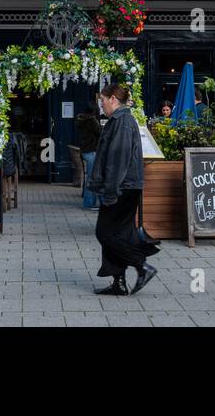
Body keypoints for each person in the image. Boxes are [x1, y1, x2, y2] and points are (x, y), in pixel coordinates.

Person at [88, 83, 157, 296]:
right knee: (119, 233)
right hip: (124, 186)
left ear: (113, 100)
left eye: (103, 101)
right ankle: (118, 283)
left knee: (105, 232)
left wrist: (110, 191)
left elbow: (118, 160)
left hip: (122, 187)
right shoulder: (118, 121)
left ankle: (142, 265)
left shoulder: (123, 121)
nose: (101, 106)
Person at [75, 97, 103, 210]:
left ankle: (91, 202)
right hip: (92, 151)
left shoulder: (82, 119)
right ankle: (89, 203)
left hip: (85, 151)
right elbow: (101, 132)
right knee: (92, 178)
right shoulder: (91, 120)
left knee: (91, 177)